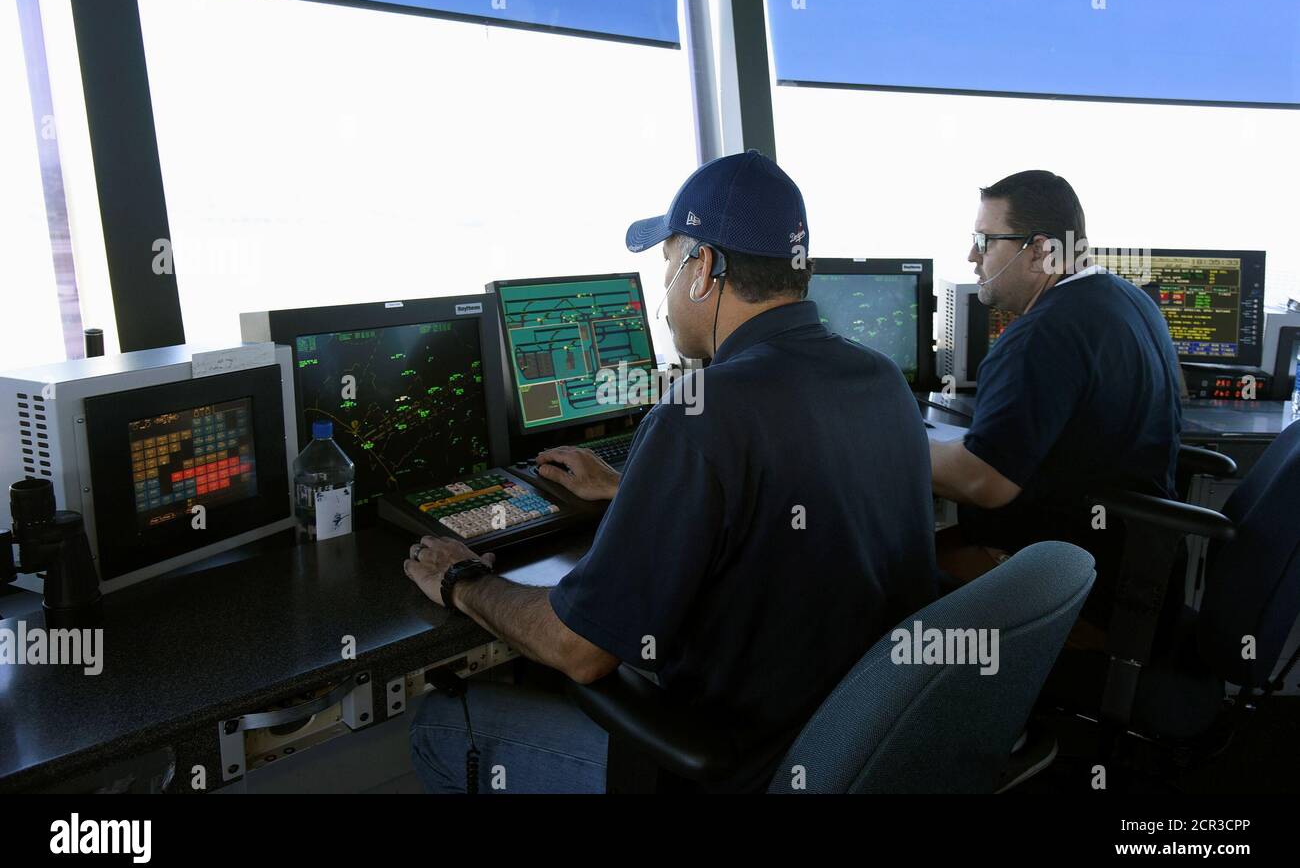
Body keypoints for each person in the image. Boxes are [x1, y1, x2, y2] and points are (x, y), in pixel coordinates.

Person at [405, 150, 938, 793]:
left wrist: (460, 580)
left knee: (440, 723)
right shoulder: (879, 379)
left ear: (704, 268)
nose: (665, 294)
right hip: (856, 744)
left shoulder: (702, 413)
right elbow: (787, 509)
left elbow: (578, 649)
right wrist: (636, 487)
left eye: (668, 268)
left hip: (736, 765)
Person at [929, 170, 1183, 635]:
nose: (972, 256)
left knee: (888, 571)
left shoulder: (1044, 335)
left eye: (985, 241)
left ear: (1041, 249)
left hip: (1070, 581)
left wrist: (884, 443)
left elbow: (986, 483)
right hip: (1131, 567)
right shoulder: (1125, 298)